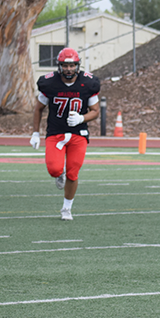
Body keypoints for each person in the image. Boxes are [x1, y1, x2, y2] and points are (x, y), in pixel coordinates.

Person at [30, 48, 100, 221]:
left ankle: (66, 208)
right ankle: (58, 174)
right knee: (54, 169)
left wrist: (81, 118)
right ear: (59, 66)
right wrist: (35, 133)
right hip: (56, 132)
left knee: (73, 173)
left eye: (72, 65)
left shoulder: (88, 83)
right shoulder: (49, 83)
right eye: (65, 65)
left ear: (77, 65)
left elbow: (95, 111)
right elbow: (38, 109)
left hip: (78, 133)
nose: (69, 69)